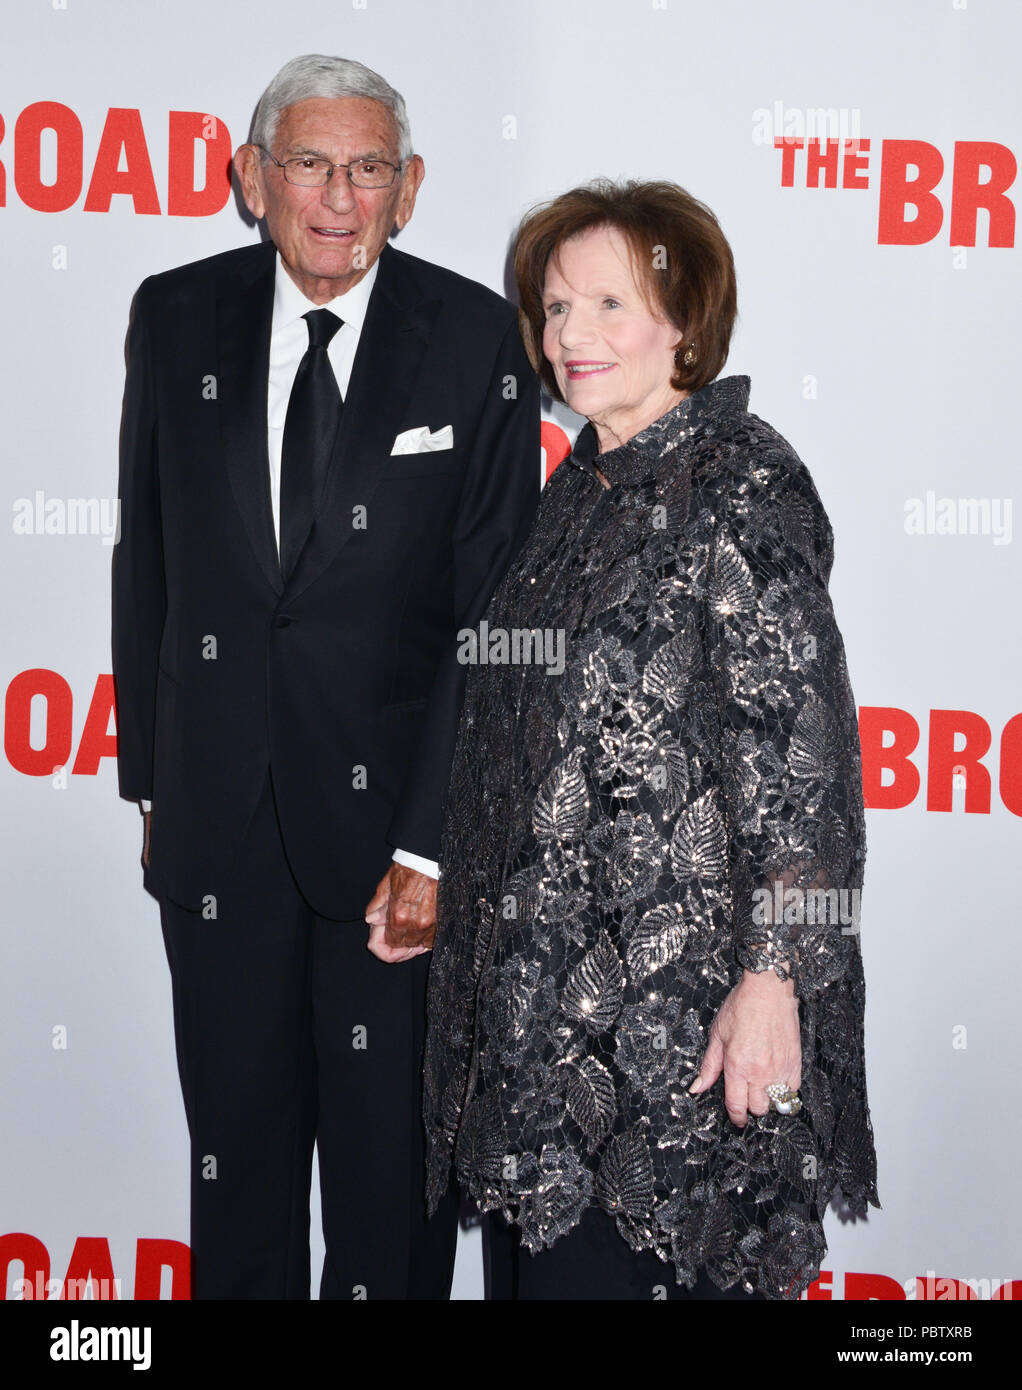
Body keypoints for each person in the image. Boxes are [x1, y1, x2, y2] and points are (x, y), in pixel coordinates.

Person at [112, 53, 539, 1299]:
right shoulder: (173, 312)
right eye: (307, 163)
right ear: (252, 179)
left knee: (389, 1189)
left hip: (393, 854)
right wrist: (152, 784)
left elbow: (496, 620)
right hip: (217, 829)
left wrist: (433, 849)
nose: (337, 197)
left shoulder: (475, 338)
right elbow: (148, 555)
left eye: (367, 169)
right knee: (233, 1168)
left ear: (408, 190)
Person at [423, 179, 880, 1300]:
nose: (569, 336)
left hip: (682, 1043)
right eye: (554, 306)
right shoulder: (579, 484)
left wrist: (773, 985)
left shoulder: (740, 483)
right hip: (556, 1028)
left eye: (607, 305)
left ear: (685, 325)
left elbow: (803, 768)